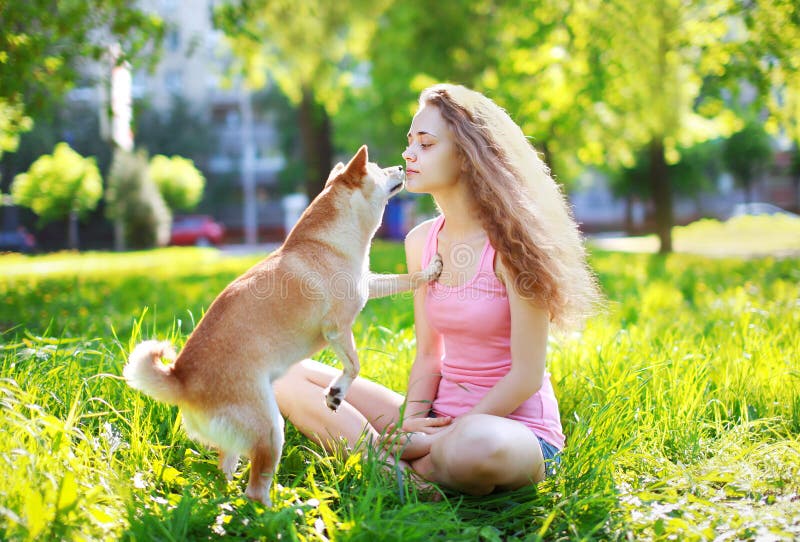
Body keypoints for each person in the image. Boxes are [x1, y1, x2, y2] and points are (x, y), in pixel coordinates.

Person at [274, 84, 601, 495]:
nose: (408, 154)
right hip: (436, 417)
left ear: (466, 156)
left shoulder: (516, 246)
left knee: (475, 445)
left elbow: (526, 376)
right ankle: (405, 474)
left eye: (425, 144)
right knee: (281, 373)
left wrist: (438, 439)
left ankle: (391, 466)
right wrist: (411, 423)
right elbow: (429, 354)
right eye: (410, 142)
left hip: (512, 430)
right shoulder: (421, 241)